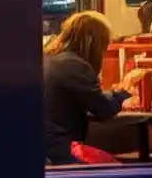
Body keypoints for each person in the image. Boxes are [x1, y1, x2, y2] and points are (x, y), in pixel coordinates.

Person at [43, 11, 130, 164]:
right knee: (115, 169)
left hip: (39, 146)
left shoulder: (49, 59)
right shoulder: (74, 65)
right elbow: (104, 108)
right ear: (92, 42)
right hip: (57, 148)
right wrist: (124, 93)